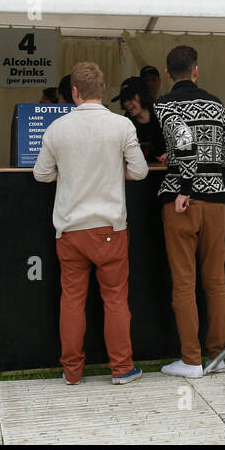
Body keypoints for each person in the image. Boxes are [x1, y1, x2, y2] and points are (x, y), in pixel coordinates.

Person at [33, 62, 147, 386]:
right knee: (115, 299)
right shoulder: (122, 126)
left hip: (70, 229)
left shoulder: (57, 128)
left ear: (74, 92)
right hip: (110, 229)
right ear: (102, 88)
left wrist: (66, 174)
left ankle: (72, 372)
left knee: (71, 300)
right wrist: (116, 172)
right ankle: (122, 369)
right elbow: (138, 172)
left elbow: (41, 174)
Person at [153, 45, 225, 378]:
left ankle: (191, 360)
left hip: (182, 200)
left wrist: (185, 185)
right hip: (216, 200)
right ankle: (216, 356)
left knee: (184, 284)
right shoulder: (217, 105)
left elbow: (184, 139)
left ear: (169, 73)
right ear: (196, 71)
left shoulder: (165, 104)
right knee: (215, 282)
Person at [111, 75, 166, 163]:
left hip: (164, 173)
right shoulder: (126, 122)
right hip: (136, 175)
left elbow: (183, 142)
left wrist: (169, 154)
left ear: (142, 95)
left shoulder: (163, 115)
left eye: (129, 98)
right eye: (124, 100)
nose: (126, 104)